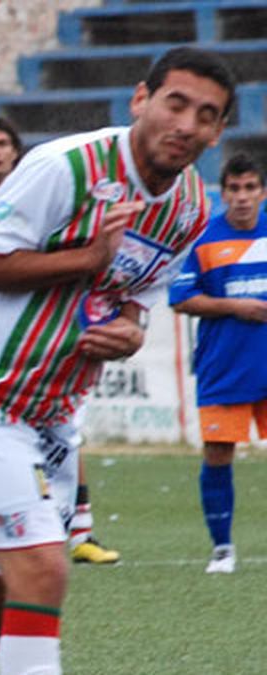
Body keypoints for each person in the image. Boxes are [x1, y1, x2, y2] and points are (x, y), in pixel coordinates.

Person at [0, 46, 234, 674]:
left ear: (219, 131)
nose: (187, 125)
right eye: (175, 104)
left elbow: (137, 298)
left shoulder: (192, 206)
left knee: (4, 587)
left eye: (206, 115)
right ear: (140, 100)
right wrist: (87, 258)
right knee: (42, 567)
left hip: (52, 412)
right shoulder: (66, 168)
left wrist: (130, 332)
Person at [0, 118, 121, 566]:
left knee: (64, 430)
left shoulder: (44, 190)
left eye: (2, 144)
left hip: (43, 334)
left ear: (16, 151)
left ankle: (80, 530)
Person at [169, 153, 267, 575]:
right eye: (234, 189)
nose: (242, 197)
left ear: (262, 192)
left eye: (250, 188)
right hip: (224, 365)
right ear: (222, 193)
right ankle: (223, 549)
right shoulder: (204, 239)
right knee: (218, 453)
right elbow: (180, 298)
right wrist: (234, 306)